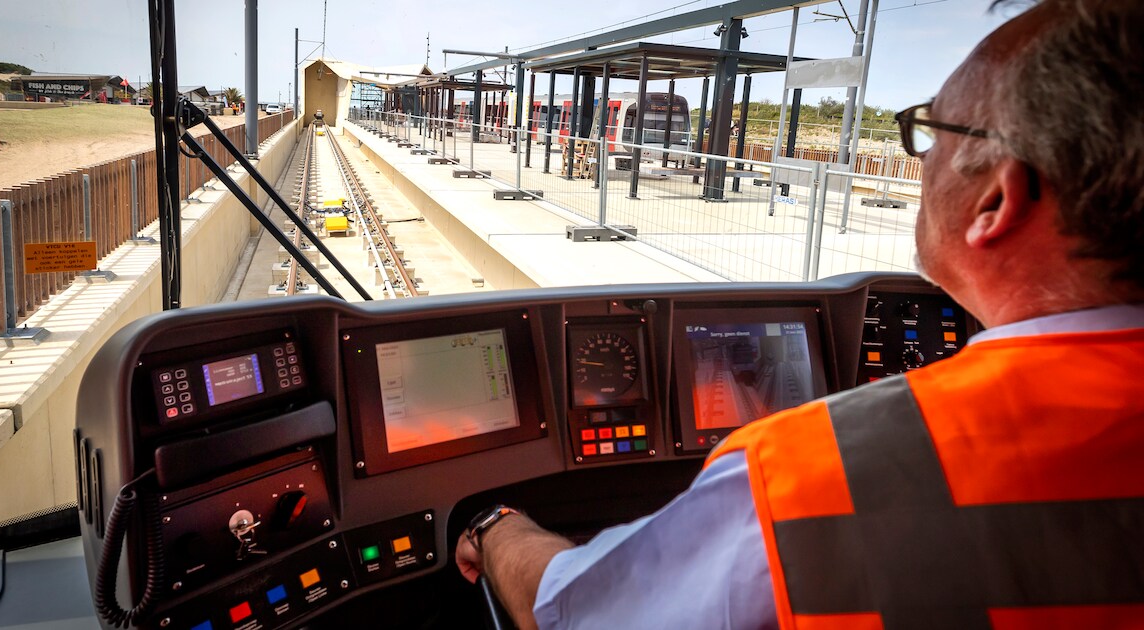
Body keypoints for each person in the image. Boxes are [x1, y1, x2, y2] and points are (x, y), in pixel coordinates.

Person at [455, 0, 1144, 628]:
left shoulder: (804, 470)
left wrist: (493, 525)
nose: (924, 160)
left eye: (931, 130)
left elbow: (573, 609)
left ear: (996, 201)